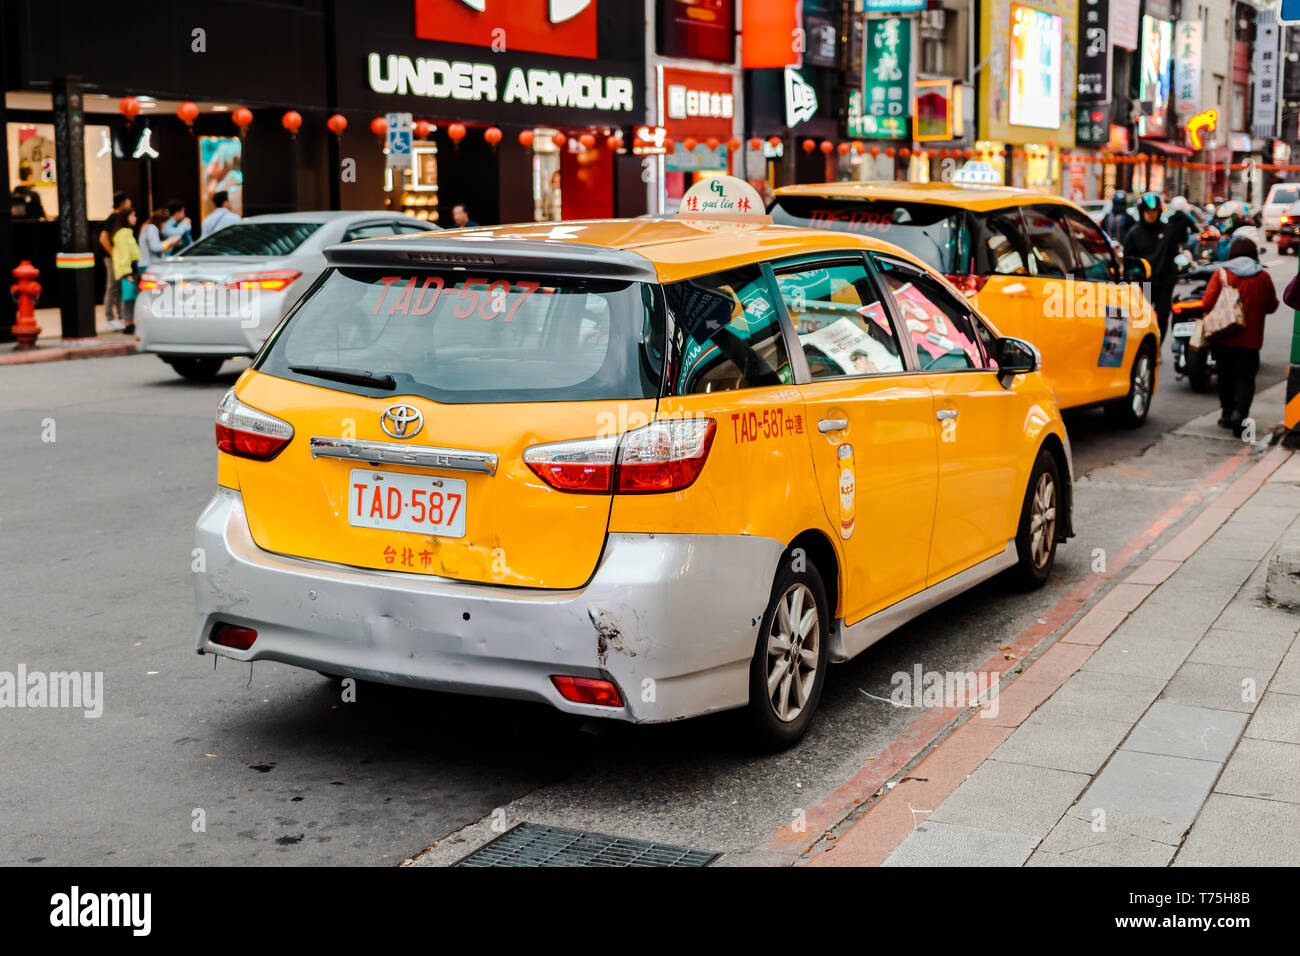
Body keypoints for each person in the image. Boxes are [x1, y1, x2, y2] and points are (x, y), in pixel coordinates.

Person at [1202, 235, 1279, 437]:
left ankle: (1227, 414)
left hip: (1223, 337)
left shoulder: (1222, 274)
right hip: (1250, 341)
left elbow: (1207, 303)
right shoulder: (1263, 277)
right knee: (1245, 379)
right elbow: (1272, 306)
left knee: (1225, 377)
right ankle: (1240, 416)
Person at [1122, 192, 1191, 343]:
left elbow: (1175, 253)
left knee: (1162, 314)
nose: (1151, 215)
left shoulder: (1168, 230)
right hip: (1143, 283)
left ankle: (1157, 344)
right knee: (1142, 317)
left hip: (1164, 281)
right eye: (1148, 212)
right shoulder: (1133, 233)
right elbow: (1128, 260)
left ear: (1159, 212)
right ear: (1142, 212)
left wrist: (1175, 270)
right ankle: (1143, 346)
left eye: (1154, 212)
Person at [99, 191, 132, 329]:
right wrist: (113, 254)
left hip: (116, 257)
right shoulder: (113, 217)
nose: (130, 202)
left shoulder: (118, 217)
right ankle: (109, 317)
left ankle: (120, 316)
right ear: (122, 202)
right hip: (111, 257)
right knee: (112, 286)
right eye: (128, 199)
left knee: (118, 286)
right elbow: (103, 238)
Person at [108, 209, 141, 333]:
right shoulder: (123, 234)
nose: (135, 218)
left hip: (131, 268)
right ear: (126, 217)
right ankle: (128, 323)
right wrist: (128, 273)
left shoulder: (126, 232)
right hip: (128, 270)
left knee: (131, 296)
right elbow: (124, 255)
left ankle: (130, 322)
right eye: (133, 215)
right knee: (128, 297)